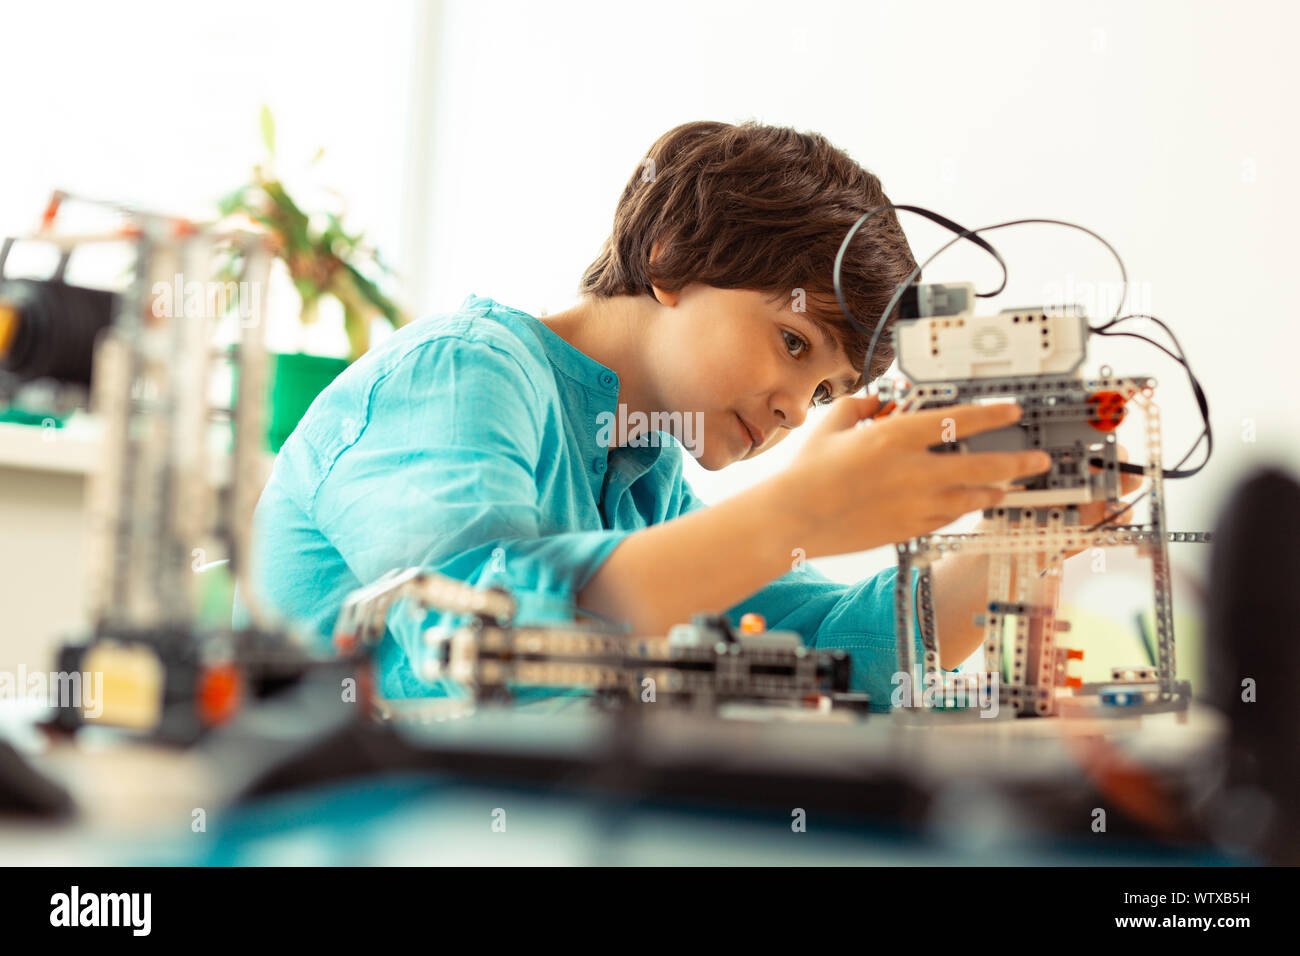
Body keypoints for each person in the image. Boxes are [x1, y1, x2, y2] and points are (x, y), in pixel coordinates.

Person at [234, 120, 1136, 710]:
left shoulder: (643, 470)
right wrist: (798, 512)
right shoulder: (465, 375)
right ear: (670, 258)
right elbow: (482, 642)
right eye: (792, 343)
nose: (797, 407)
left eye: (826, 393)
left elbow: (816, 642)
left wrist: (1013, 550)